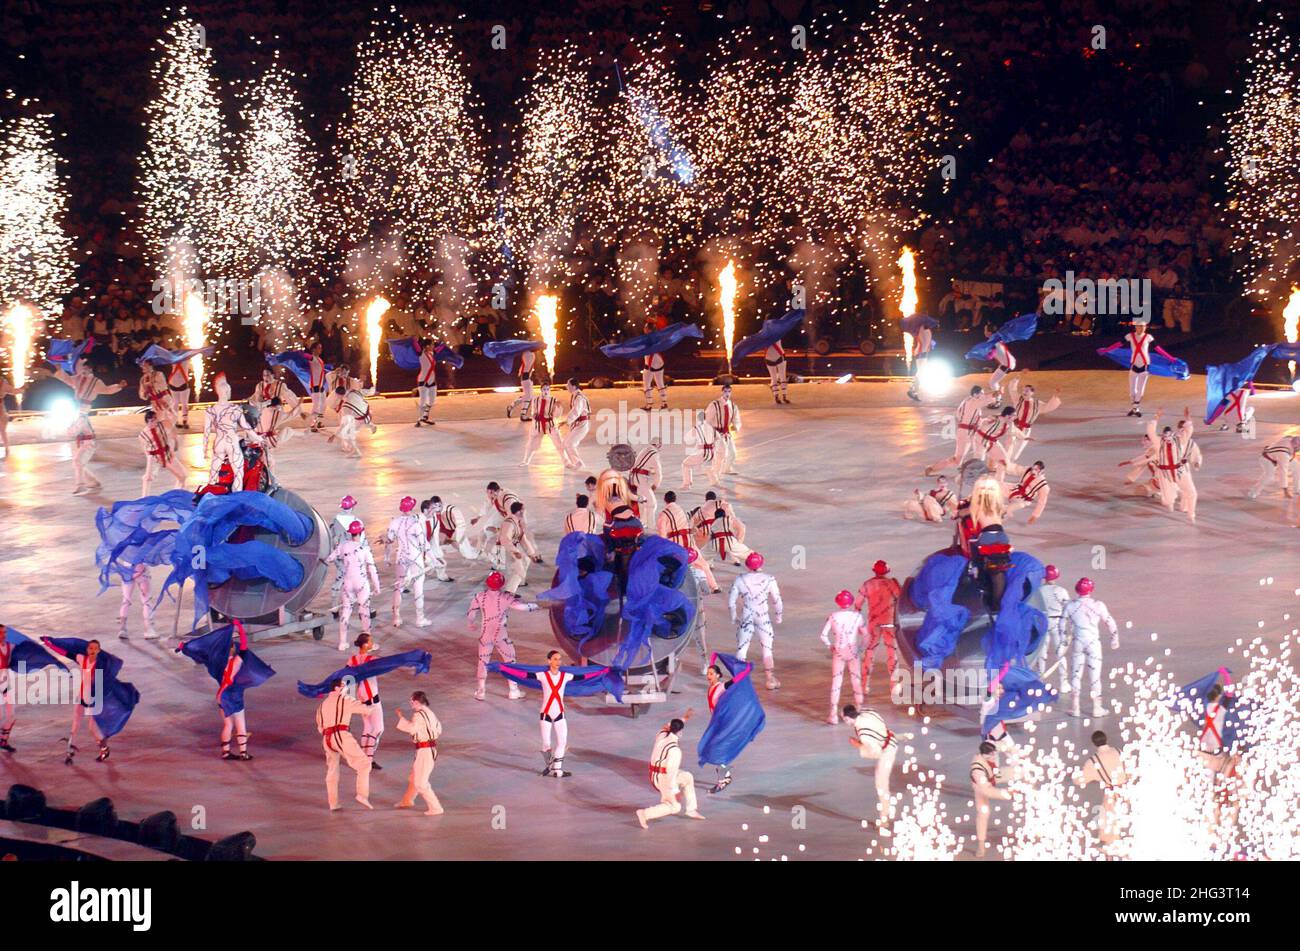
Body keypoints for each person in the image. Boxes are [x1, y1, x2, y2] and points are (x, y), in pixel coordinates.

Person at [521, 650, 611, 778]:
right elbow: (524, 674)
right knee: (546, 744)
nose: (558, 662)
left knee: (562, 742)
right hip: (545, 714)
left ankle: (557, 770)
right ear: (549, 661)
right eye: (555, 659)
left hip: (559, 714)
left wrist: (601, 672)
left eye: (559, 659)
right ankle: (549, 765)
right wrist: (503, 668)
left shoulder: (565, 676)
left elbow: (583, 677)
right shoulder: (542, 675)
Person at [49, 361, 128, 494]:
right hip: (78, 416)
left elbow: (107, 390)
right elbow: (67, 379)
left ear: (90, 368)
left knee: (78, 461)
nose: (83, 369)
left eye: (85, 367)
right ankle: (92, 481)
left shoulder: (96, 382)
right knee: (78, 461)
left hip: (83, 415)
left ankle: (81, 484)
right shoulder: (78, 379)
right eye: (82, 367)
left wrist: (118, 386)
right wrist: (59, 370)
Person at [467, 571, 536, 701]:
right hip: (501, 635)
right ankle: (513, 690)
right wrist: (535, 606)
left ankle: (481, 691)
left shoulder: (479, 596)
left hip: (485, 635)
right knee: (510, 660)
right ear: (502, 584)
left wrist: (470, 624)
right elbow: (522, 607)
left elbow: (471, 613)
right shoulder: (506, 598)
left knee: (483, 661)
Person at [42, 638, 110, 763]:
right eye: (90, 648)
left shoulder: (101, 665)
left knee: (92, 728)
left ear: (99, 650)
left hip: (93, 701)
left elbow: (105, 682)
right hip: (82, 697)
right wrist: (50, 644)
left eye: (95, 648)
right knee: (75, 723)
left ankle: (104, 748)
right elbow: (65, 653)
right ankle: (69, 750)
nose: (92, 650)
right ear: (87, 649)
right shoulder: (81, 659)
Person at [844, 704, 909, 833]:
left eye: (844, 719)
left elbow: (876, 752)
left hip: (887, 751)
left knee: (881, 785)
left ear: (848, 719)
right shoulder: (868, 711)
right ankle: (900, 736)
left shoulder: (864, 734)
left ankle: (884, 821)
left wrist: (858, 745)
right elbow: (879, 725)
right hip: (888, 738)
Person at [1061, 577, 1119, 717]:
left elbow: (1061, 624)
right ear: (1091, 590)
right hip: (1093, 643)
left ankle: (1075, 707)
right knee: (1095, 676)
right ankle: (1096, 707)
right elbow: (1110, 622)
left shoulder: (1070, 606)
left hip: (1078, 642)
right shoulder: (1098, 605)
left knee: (1076, 674)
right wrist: (1114, 638)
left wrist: (1063, 640)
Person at [1098, 318, 1177, 417]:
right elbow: (1118, 344)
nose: (1143, 328)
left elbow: (1158, 349)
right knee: (1132, 390)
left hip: (1144, 366)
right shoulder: (1130, 336)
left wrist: (1170, 358)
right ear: (1136, 327)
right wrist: (1107, 350)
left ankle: (1135, 408)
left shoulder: (1149, 337)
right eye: (1141, 326)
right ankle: (1135, 408)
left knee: (1140, 389)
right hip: (1134, 365)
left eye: (1144, 327)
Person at [636, 714, 706, 827]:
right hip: (663, 778)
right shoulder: (675, 750)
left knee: (687, 777)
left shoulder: (661, 735)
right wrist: (675, 791)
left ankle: (691, 810)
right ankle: (644, 814)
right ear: (680, 732)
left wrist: (684, 719)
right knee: (675, 806)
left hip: (655, 773)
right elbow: (670, 773)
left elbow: (667, 726)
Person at [314, 679, 373, 810]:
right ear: (336, 688)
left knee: (332, 771)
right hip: (341, 735)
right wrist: (373, 704)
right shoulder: (344, 699)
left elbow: (320, 727)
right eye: (343, 686)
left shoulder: (322, 706)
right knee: (364, 765)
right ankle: (362, 795)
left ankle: (333, 803)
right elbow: (366, 709)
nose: (346, 688)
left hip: (326, 739)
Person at [324, 520, 381, 651]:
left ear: (351, 533)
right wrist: (377, 586)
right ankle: (368, 644)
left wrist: (324, 561)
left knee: (346, 611)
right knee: (364, 611)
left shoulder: (343, 546)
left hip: (348, 583)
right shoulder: (365, 549)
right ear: (361, 532)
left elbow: (330, 558)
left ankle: (342, 643)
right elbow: (372, 569)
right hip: (361, 583)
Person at [729, 552, 783, 689]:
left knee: (742, 647)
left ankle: (738, 679)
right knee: (767, 649)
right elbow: (776, 600)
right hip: (763, 616)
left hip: (747, 615)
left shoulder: (740, 579)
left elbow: (731, 602)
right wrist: (778, 615)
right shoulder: (769, 579)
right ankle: (770, 679)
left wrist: (734, 616)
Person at [203, 372, 259, 490]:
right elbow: (247, 428)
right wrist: (259, 438)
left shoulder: (210, 410)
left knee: (213, 476)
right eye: (225, 385)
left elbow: (206, 433)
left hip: (218, 443)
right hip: (231, 442)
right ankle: (235, 500)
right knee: (238, 472)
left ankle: (211, 500)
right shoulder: (235, 409)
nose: (227, 387)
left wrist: (204, 450)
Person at [384, 496, 432, 628]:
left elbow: (388, 541)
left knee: (398, 588)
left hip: (401, 558)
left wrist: (386, 558)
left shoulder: (394, 522)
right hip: (415, 559)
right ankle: (420, 619)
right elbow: (424, 544)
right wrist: (433, 559)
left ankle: (396, 618)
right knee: (418, 588)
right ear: (412, 508)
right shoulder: (415, 523)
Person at [854, 561, 901, 694]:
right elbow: (900, 599)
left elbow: (857, 605)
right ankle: (894, 685)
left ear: (874, 571)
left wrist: (858, 623)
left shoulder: (867, 584)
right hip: (889, 622)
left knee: (869, 653)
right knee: (892, 653)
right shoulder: (892, 584)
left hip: (873, 623)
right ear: (887, 571)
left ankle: (864, 685)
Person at [1074, 730, 1128, 845]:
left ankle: (1111, 847)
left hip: (1112, 794)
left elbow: (1080, 779)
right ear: (1106, 739)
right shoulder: (1118, 751)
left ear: (1094, 743)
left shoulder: (1094, 760)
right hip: (1128, 790)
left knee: (1108, 822)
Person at [925, 385, 993, 475]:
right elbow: (985, 401)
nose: (983, 395)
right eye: (982, 393)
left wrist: (986, 420)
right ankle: (932, 468)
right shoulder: (972, 402)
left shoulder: (968, 403)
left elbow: (970, 419)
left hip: (966, 432)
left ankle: (932, 468)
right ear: (976, 394)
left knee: (980, 449)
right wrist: (995, 395)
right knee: (959, 459)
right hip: (965, 433)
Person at [394, 691, 443, 815]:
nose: (411, 704)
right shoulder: (430, 713)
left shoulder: (419, 715)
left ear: (416, 701)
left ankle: (436, 808)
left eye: (411, 701)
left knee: (420, 782)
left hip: (425, 750)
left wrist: (401, 718)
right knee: (414, 777)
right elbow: (439, 728)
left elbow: (412, 729)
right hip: (428, 749)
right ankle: (407, 800)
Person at [821, 591, 865, 724]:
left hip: (838, 652)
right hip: (852, 652)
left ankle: (833, 715)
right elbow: (866, 635)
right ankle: (859, 710)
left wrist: (830, 645)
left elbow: (823, 635)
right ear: (851, 602)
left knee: (836, 682)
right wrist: (861, 648)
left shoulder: (833, 617)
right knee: (856, 680)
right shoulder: (857, 616)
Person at [347, 633, 385, 768]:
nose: (372, 644)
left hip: (361, 695)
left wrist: (350, 700)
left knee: (368, 727)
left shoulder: (352, 660)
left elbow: (348, 680)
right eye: (370, 642)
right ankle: (368, 757)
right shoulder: (371, 659)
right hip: (371, 696)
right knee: (378, 728)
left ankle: (364, 756)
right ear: (364, 645)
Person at [970, 740, 1013, 858]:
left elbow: (1005, 746)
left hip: (992, 776)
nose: (994, 756)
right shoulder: (977, 770)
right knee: (983, 813)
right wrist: (1008, 794)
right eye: (991, 755)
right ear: (984, 755)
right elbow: (987, 791)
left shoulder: (990, 751)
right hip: (981, 788)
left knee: (1017, 771)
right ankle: (981, 845)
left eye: (994, 753)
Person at [1005, 379, 1061, 463]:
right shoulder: (1018, 398)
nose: (1024, 392)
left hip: (1025, 429)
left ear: (1032, 393)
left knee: (1018, 447)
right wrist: (1017, 377)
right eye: (1023, 390)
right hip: (1015, 427)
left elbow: (1048, 406)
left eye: (1027, 391)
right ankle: (1003, 462)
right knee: (1009, 444)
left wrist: (1055, 396)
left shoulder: (1037, 404)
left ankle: (1009, 463)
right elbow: (1012, 389)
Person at [1036, 564, 1071, 693]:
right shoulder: (1061, 591)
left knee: (1041, 654)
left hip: (1043, 622)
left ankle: (1040, 680)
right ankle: (1064, 683)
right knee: (1060, 654)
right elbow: (1068, 609)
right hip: (1057, 623)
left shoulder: (1038, 590)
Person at [139, 408, 187, 497]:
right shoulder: (143, 435)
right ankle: (144, 498)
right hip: (154, 457)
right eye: (151, 421)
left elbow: (174, 419)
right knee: (148, 478)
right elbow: (146, 451)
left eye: (155, 420)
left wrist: (170, 409)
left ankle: (176, 493)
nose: (154, 423)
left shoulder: (164, 424)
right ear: (147, 422)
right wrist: (149, 467)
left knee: (183, 475)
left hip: (167, 454)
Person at [500, 501, 542, 593]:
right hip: (507, 549)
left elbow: (523, 539)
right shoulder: (509, 523)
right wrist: (515, 551)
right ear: (519, 511)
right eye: (523, 510)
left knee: (524, 562)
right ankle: (509, 592)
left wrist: (531, 554)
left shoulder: (517, 522)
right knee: (519, 571)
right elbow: (504, 539)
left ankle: (510, 590)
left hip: (512, 549)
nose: (525, 512)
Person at [521, 382, 564, 466]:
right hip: (538, 425)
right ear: (541, 390)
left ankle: (566, 461)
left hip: (550, 425)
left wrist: (558, 407)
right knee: (531, 443)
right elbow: (533, 411)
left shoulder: (554, 400)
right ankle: (526, 460)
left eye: (548, 389)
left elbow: (557, 415)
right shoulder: (536, 400)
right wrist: (534, 415)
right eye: (544, 389)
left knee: (559, 443)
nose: (546, 391)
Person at [704, 385, 741, 478]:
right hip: (716, 433)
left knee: (732, 453)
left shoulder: (733, 405)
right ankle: (714, 471)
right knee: (721, 453)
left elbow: (736, 419)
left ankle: (726, 469)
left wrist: (736, 427)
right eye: (725, 391)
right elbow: (707, 419)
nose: (727, 394)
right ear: (722, 392)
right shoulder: (714, 404)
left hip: (726, 433)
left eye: (729, 391)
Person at [1248, 434, 1300, 500]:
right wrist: (1285, 490)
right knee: (1269, 476)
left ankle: (1297, 489)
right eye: (1299, 448)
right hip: (1267, 459)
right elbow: (1283, 471)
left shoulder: (1290, 439)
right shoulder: (1284, 454)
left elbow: (1287, 437)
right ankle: (1253, 493)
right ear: (1295, 446)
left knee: (1297, 468)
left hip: (1276, 455)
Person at [629, 439, 663, 531]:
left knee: (643, 502)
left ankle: (642, 524)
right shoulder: (654, 453)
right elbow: (658, 471)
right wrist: (656, 484)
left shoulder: (644, 450)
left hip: (634, 477)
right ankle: (651, 527)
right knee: (652, 503)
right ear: (658, 445)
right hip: (641, 479)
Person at [680, 414, 719, 490]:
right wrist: (711, 443)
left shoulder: (696, 428)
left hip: (701, 453)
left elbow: (687, 439)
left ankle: (687, 484)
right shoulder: (711, 427)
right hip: (711, 453)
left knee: (686, 464)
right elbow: (718, 437)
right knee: (708, 467)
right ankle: (715, 481)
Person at [561, 378, 591, 469]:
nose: (566, 386)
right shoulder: (576, 395)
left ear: (573, 386)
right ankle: (575, 462)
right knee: (566, 443)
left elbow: (576, 411)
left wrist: (567, 421)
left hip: (582, 425)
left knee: (569, 444)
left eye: (568, 385)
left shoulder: (579, 397)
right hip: (578, 424)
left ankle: (578, 463)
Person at [414, 339, 439, 427]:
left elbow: (439, 348)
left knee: (432, 401)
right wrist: (413, 339)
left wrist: (443, 344)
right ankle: (419, 419)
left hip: (432, 380)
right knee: (423, 400)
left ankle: (425, 417)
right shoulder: (421, 354)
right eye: (432, 345)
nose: (434, 346)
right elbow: (417, 347)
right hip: (423, 380)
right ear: (427, 346)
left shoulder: (431, 354)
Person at [505, 349, 537, 421]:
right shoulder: (529, 354)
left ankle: (521, 413)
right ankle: (516, 410)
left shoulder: (527, 353)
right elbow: (527, 365)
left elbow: (525, 366)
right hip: (526, 377)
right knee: (528, 396)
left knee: (529, 396)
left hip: (526, 376)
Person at [0, 625, 16, 752]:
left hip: (5, 685)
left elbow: (24, 645)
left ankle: (3, 741)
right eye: (1, 633)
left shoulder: (10, 646)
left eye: (4, 632)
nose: (3, 635)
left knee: (12, 717)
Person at [306, 341, 328, 431]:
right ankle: (312, 424)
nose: (321, 350)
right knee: (316, 405)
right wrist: (301, 354)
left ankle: (318, 422)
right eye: (319, 348)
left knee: (323, 404)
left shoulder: (320, 359)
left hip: (320, 385)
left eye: (321, 348)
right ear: (314, 349)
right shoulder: (313, 359)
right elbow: (307, 356)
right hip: (315, 385)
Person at [166, 359, 192, 428]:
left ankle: (176, 421)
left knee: (175, 403)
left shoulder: (173, 359)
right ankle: (184, 421)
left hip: (172, 383)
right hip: (182, 382)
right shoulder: (186, 359)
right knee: (184, 403)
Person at [642, 345, 667, 411]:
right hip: (659, 360)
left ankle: (649, 404)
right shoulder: (657, 339)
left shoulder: (647, 340)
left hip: (651, 361)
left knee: (647, 384)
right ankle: (664, 403)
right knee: (660, 383)